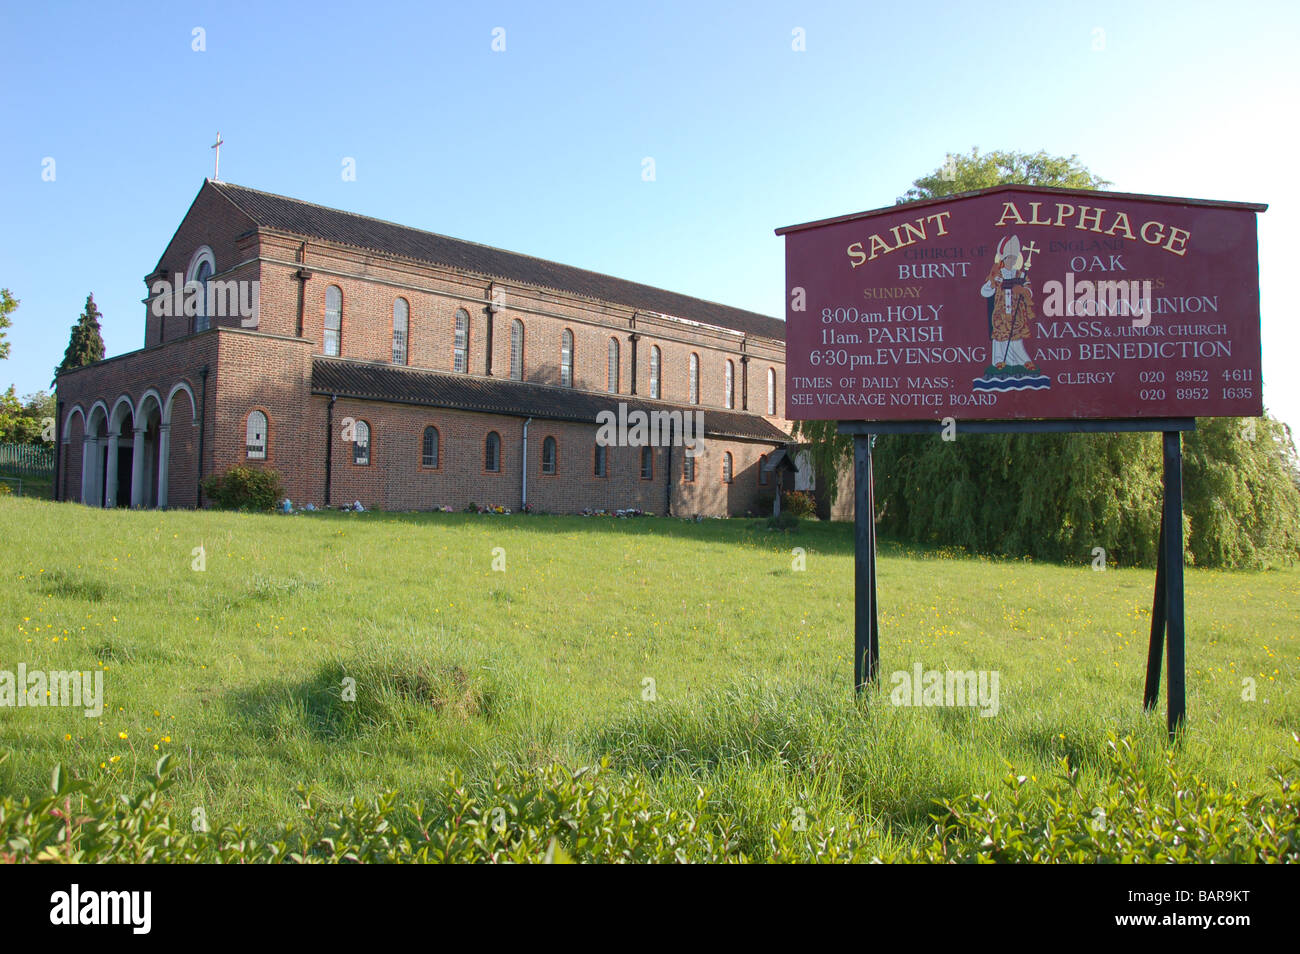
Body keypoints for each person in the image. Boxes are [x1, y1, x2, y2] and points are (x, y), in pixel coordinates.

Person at [979, 235, 1038, 371]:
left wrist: (1022, 290)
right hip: (1000, 311)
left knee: (1016, 336)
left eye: (1014, 258)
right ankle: (999, 360)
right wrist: (993, 284)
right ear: (1003, 259)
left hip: (1015, 312)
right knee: (1000, 336)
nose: (1011, 261)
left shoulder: (1020, 275)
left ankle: (1023, 360)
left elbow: (1029, 290)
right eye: (1009, 258)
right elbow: (985, 291)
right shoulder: (997, 274)